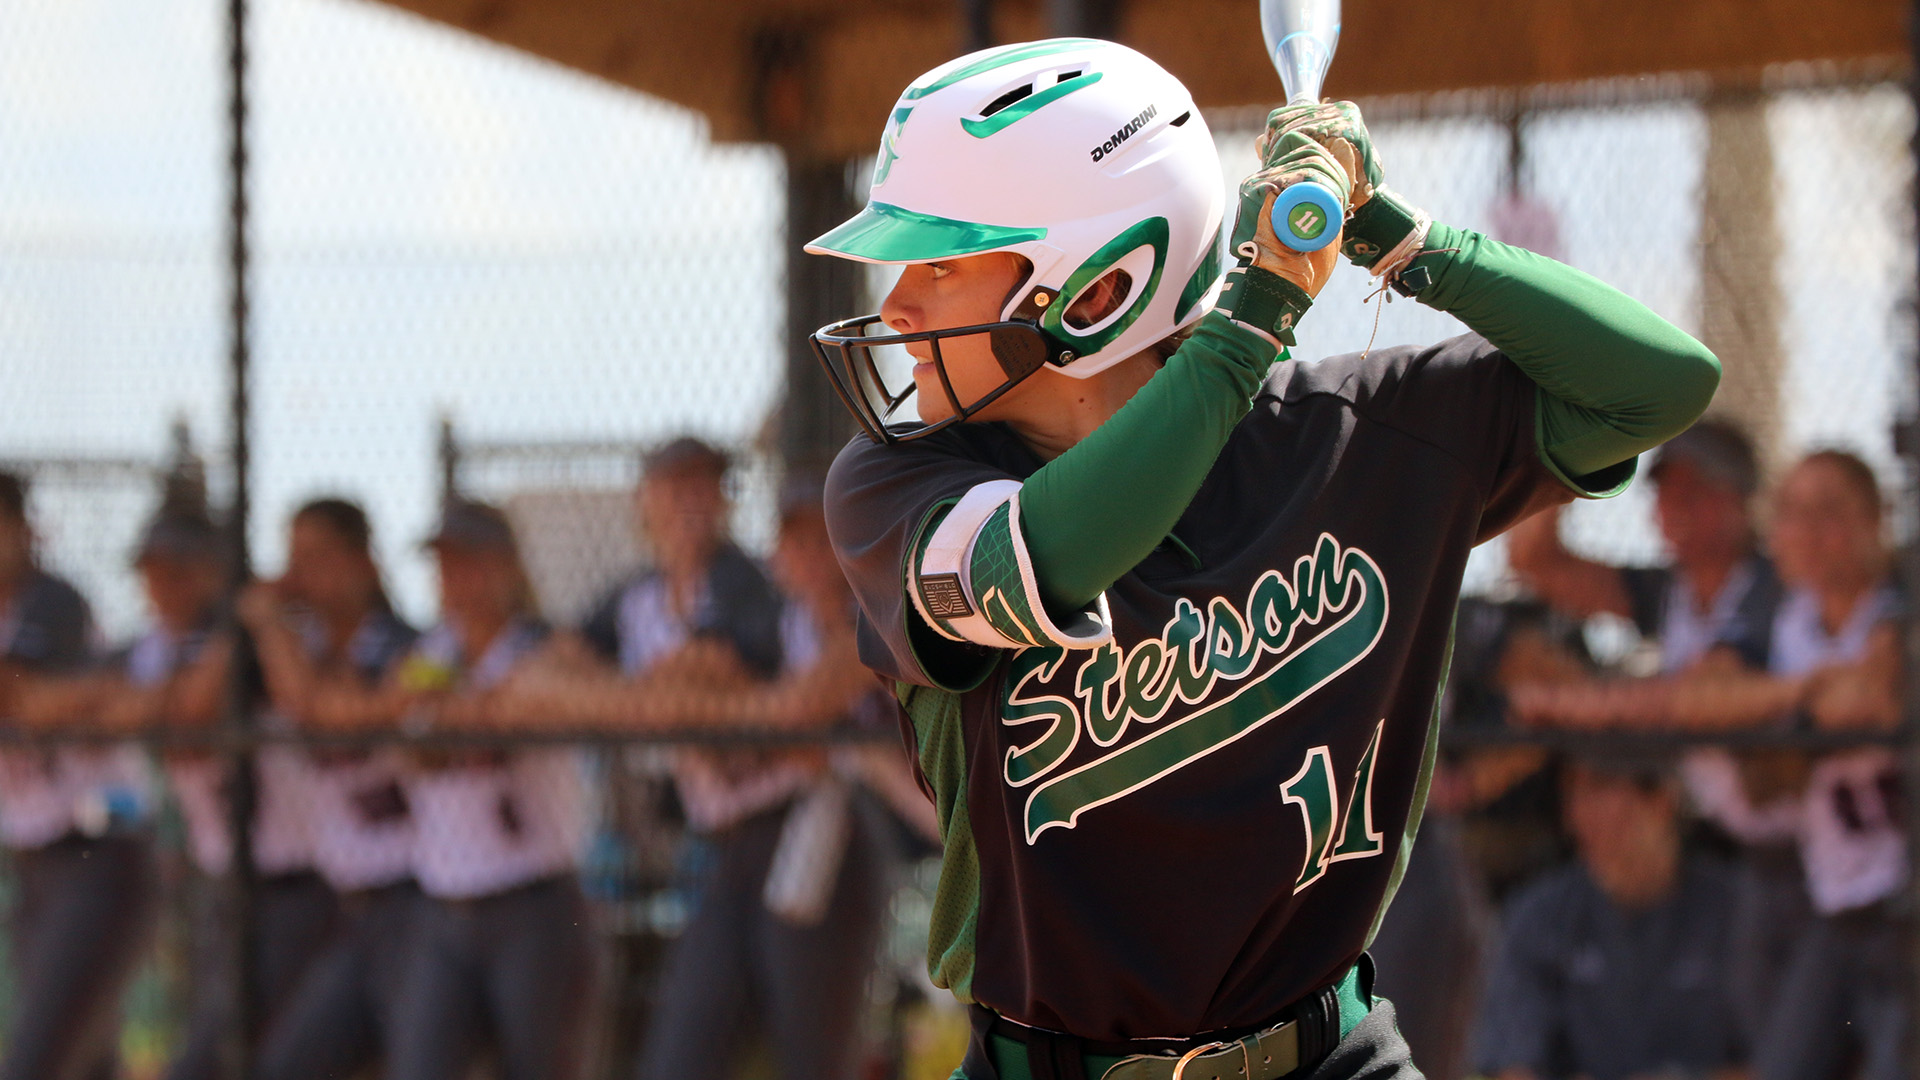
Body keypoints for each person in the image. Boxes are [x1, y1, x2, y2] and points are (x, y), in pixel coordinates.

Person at [808, 38, 1718, 1079]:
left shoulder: (1352, 431)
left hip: (1334, 1056)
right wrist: (1253, 319)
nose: (898, 305)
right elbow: (1056, 551)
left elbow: (1660, 386)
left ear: (1097, 290)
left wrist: (1403, 237)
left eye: (944, 262)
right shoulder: (895, 486)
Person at [309, 499, 594, 1080]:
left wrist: (451, 714)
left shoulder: (543, 646)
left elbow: (517, 710)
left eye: (468, 561)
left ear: (507, 567)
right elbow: (393, 737)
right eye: (444, 564)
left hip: (534, 903)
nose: (454, 579)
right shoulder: (423, 656)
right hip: (444, 909)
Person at [237, 498, 421, 1080]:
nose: (303, 574)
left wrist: (269, 620)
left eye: (319, 557)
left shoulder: (401, 643)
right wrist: (263, 614)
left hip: (419, 897)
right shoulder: (301, 648)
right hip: (351, 906)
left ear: (364, 563)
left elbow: (312, 708)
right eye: (295, 559)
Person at [0, 472, 159, 1080]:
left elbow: (13, 692)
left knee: (37, 1062)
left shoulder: (50, 599)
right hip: (38, 856)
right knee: (86, 1062)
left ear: (24, 531)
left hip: (104, 840)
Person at [1472, 755, 1746, 1080]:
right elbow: (1511, 1063)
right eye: (1572, 794)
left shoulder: (1735, 909)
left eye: (1600, 788)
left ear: (1663, 799)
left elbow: (1778, 1059)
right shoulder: (1539, 915)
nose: (1580, 815)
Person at [1507, 418, 1779, 674]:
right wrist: (1570, 455)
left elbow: (1717, 685)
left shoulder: (1781, 589)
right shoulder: (1664, 590)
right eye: (1664, 490)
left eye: (1693, 489)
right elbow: (1535, 562)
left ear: (1739, 498)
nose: (1675, 506)